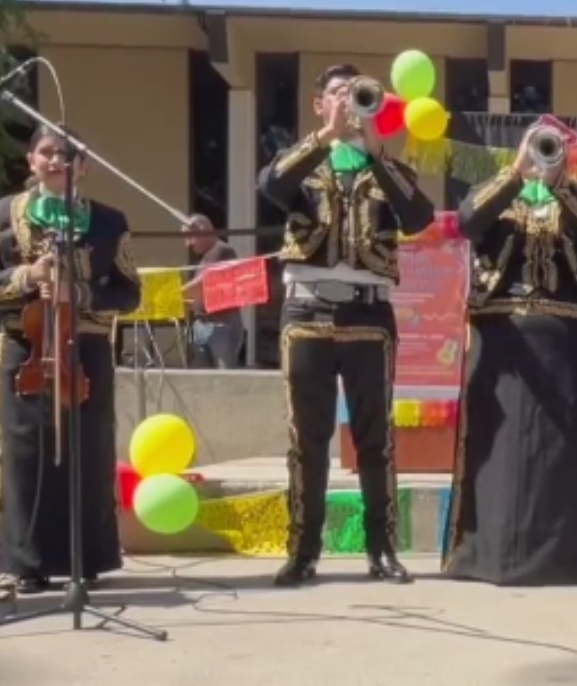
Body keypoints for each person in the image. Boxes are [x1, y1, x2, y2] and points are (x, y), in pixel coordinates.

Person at [259, 65, 436, 588]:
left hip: (368, 314)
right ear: (320, 105)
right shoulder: (305, 161)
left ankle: (381, 550)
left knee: (375, 438)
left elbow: (418, 215)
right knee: (306, 439)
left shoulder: (384, 166)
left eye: (357, 96)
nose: (349, 103)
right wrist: (326, 138)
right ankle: (303, 551)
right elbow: (271, 185)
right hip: (307, 314)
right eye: (338, 94)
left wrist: (376, 148)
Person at [442, 127, 577, 586]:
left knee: (561, 452)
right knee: (500, 450)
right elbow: (468, 222)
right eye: (537, 147)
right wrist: (516, 173)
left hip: (570, 342)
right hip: (504, 340)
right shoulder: (502, 191)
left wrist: (562, 185)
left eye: (551, 149)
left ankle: (566, 558)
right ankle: (490, 556)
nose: (545, 155)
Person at [0, 124, 141, 594]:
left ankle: (86, 559)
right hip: (24, 345)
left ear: (83, 166)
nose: (56, 161)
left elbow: (129, 294)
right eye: (46, 152)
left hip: (85, 348)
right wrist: (26, 276)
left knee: (89, 448)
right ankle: (27, 562)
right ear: (30, 160)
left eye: (68, 155)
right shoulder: (4, 214)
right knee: (25, 452)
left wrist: (79, 292)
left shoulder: (109, 221)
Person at [182, 214, 245, 369]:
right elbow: (202, 296)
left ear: (203, 231)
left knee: (225, 378)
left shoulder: (223, 251)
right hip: (201, 325)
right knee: (202, 380)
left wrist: (173, 294)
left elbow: (203, 283)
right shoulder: (203, 260)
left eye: (190, 237)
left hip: (221, 326)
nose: (187, 244)